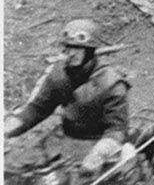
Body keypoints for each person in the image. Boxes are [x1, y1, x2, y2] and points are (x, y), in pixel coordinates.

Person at [4, 19, 137, 179]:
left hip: (94, 143)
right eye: (68, 47)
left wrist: (98, 155)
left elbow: (117, 130)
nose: (71, 53)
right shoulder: (59, 74)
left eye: (78, 48)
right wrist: (6, 129)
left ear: (90, 51)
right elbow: (38, 109)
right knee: (12, 168)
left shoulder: (112, 83)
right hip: (62, 137)